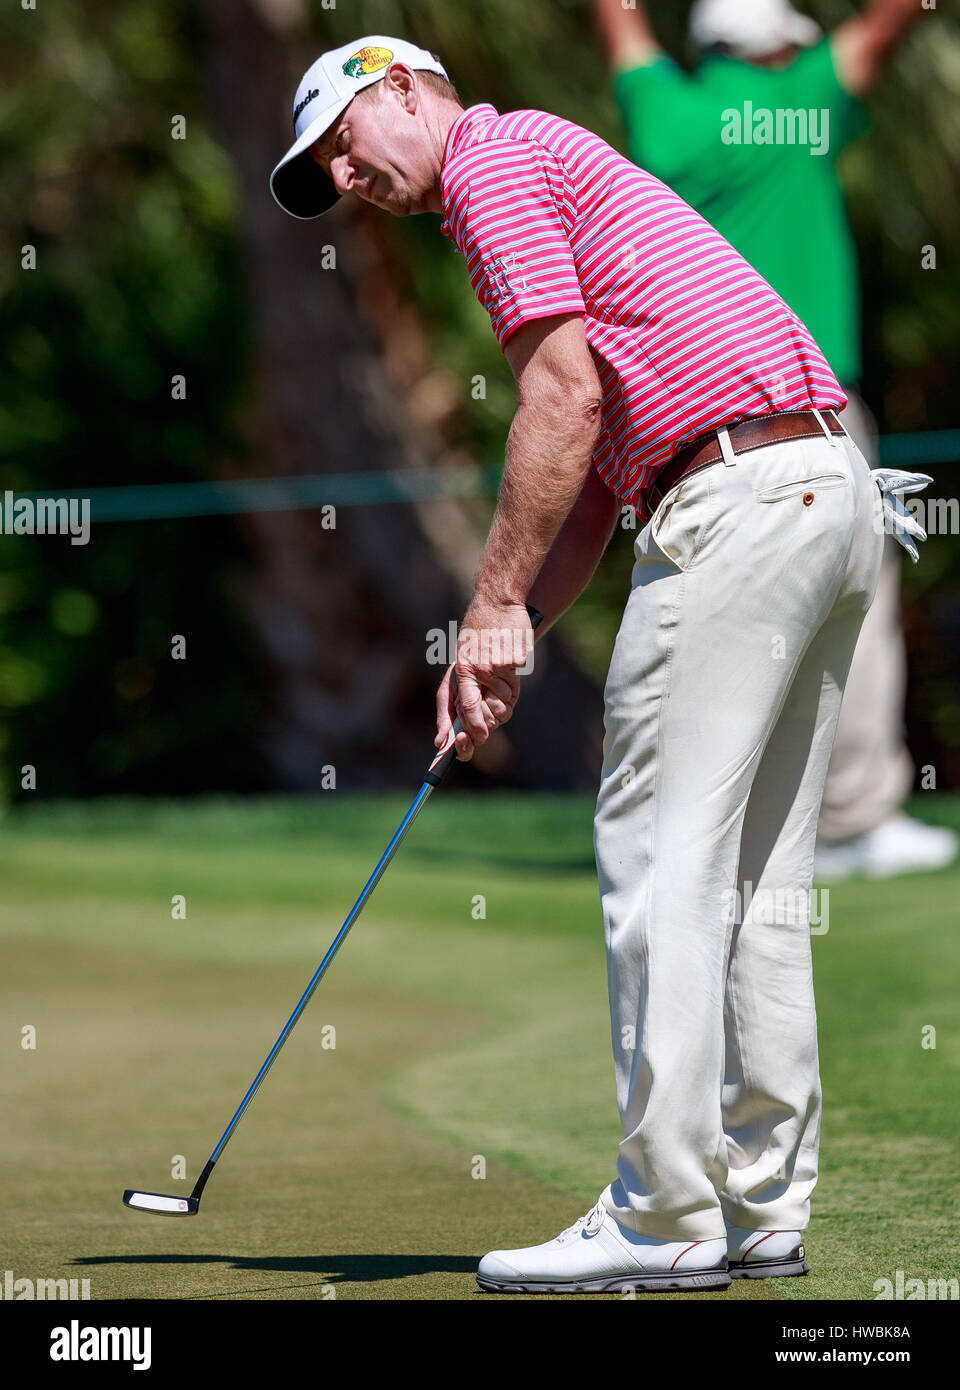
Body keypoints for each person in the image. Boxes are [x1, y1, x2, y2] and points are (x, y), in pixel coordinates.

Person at [269, 34, 928, 1292]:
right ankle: (763, 1199)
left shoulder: (488, 163)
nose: (346, 178)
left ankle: (663, 1210)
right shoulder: (554, 160)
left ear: (398, 86)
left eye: (342, 145)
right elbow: (582, 491)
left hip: (741, 500)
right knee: (759, 875)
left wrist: (489, 606)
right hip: (823, 489)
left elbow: (559, 401)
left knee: (657, 855)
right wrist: (504, 638)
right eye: (323, 172)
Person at [593, 0, 957, 879]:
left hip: (688, 430)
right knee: (850, 604)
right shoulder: (796, 105)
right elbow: (883, 26)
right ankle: (849, 822)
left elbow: (622, 27)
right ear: (776, 47)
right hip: (812, 409)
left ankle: (724, 831)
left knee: (723, 616)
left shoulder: (666, 112)